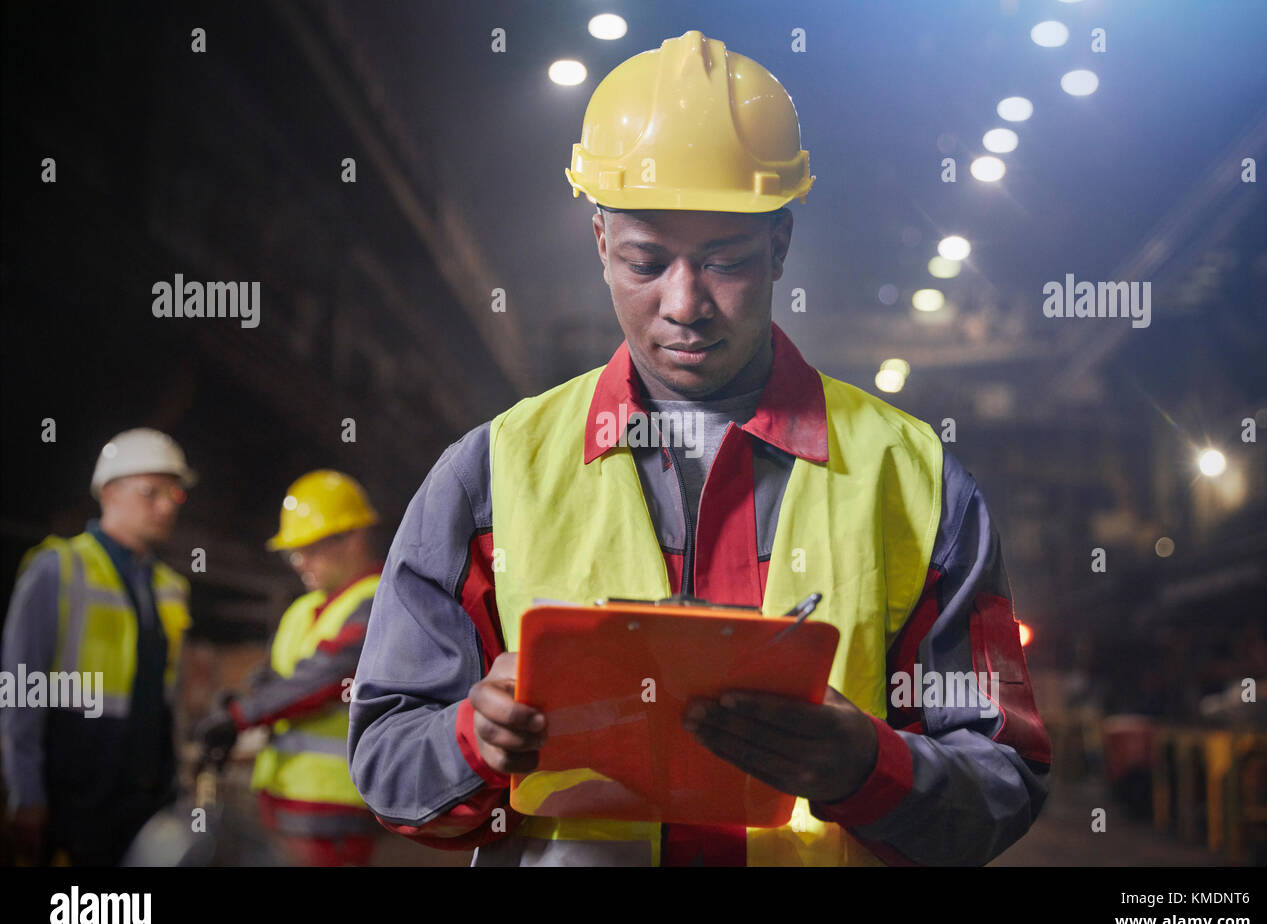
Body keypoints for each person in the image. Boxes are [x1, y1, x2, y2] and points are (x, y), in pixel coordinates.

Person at [348, 30, 1051, 866]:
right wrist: (473, 738)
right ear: (601, 243)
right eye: (648, 260)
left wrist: (869, 766)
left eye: (726, 261)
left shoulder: (917, 482)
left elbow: (1003, 773)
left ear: (780, 246)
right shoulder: (491, 474)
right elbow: (387, 763)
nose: (685, 304)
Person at [2, 427, 195, 865]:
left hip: (147, 795)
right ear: (109, 493)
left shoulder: (171, 588)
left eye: (175, 496)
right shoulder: (57, 570)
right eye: (152, 493)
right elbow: (19, 690)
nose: (167, 506)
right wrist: (25, 793)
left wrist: (178, 788)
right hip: (73, 791)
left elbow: (173, 701)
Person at [193, 469, 384, 866]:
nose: (299, 562)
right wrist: (242, 700)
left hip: (332, 804)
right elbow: (272, 676)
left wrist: (238, 717)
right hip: (280, 792)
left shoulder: (380, 601)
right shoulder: (303, 608)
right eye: (293, 551)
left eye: (310, 548)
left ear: (353, 537)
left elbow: (322, 678)